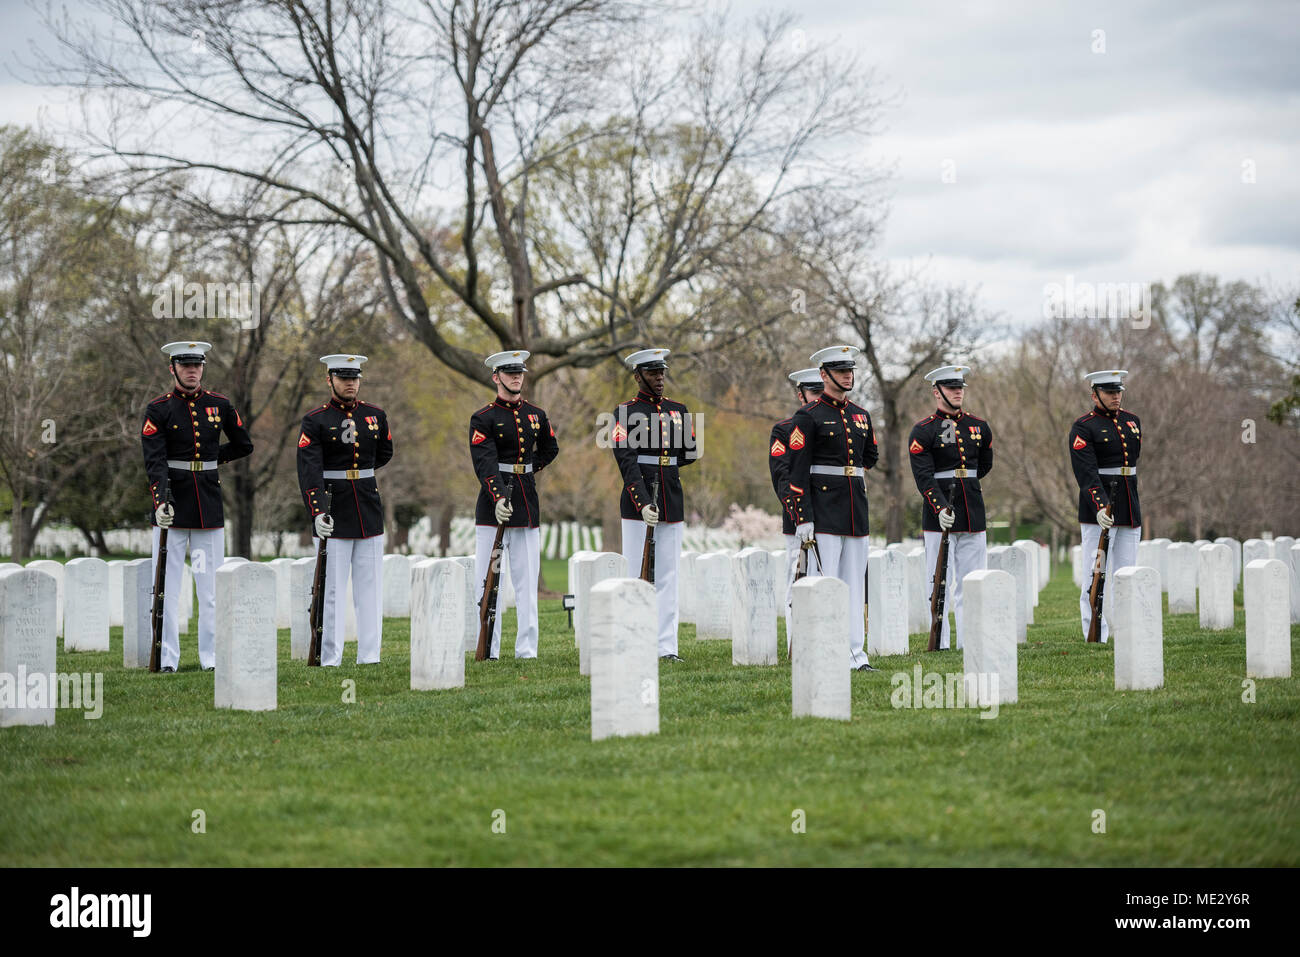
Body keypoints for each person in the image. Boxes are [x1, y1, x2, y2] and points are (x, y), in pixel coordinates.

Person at [141, 340, 253, 672]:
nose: (192, 371)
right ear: (172, 368)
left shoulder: (220, 405)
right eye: (186, 365)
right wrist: (161, 500)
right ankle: (166, 659)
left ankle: (212, 658)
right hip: (172, 508)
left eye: (197, 365)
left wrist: (211, 460)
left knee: (210, 590)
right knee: (167, 590)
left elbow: (243, 444)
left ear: (203, 367)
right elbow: (155, 461)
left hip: (207, 506)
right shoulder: (158, 409)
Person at [786, 345, 879, 672]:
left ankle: (856, 656)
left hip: (856, 510)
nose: (848, 376)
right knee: (824, 583)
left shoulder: (860, 415)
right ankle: (822, 653)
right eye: (840, 371)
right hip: (823, 512)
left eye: (850, 370)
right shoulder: (807, 417)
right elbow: (797, 473)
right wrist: (803, 518)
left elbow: (870, 457)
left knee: (855, 586)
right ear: (824, 375)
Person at [296, 354, 392, 666]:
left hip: (367, 508)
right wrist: (317, 510)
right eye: (343, 377)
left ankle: (370, 656)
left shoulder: (375, 415)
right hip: (332, 510)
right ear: (330, 380)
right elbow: (308, 469)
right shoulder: (316, 420)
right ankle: (330, 657)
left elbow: (384, 453)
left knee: (370, 591)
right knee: (332, 591)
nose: (350, 383)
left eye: (354, 377)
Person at [469, 350, 559, 659]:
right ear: (496, 377)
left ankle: (527, 650)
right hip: (492, 507)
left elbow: (551, 447)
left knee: (526, 581)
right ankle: (488, 648)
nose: (516, 376)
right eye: (509, 373)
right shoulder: (483, 418)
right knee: (490, 579)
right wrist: (497, 496)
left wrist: (531, 467)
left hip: (527, 503)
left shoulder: (536, 414)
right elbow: (484, 462)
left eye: (519, 371)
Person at [610, 348, 699, 661]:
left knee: (668, 577)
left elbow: (688, 453)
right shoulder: (624, 413)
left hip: (671, 498)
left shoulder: (679, 410)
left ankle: (666, 647)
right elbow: (625, 460)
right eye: (652, 373)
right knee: (637, 572)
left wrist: (665, 466)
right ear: (638, 376)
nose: (660, 378)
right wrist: (643, 500)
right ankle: (634, 642)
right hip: (638, 502)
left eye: (662, 372)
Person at [908, 365, 993, 650]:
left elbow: (984, 466)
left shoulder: (979, 426)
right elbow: (923, 476)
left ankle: (970, 640)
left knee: (972, 582)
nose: (958, 392)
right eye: (952, 387)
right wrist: (940, 507)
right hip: (938, 515)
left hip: (972, 509)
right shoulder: (923, 430)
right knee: (939, 582)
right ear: (937, 392)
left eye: (960, 387)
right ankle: (941, 642)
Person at [1070, 369, 1141, 643]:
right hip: (1097, 511)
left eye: (1118, 391)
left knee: (1127, 572)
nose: (1116, 396)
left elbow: (1131, 466)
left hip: (1129, 505)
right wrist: (1100, 505)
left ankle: (1125, 632)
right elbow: (1086, 472)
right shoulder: (1083, 427)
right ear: (1095, 394)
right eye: (1110, 392)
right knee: (1096, 571)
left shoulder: (1132, 422)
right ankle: (1095, 632)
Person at [769, 367, 824, 652]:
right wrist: (798, 514)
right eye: (813, 392)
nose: (818, 397)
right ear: (801, 394)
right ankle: (797, 641)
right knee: (798, 578)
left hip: (830, 518)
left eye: (821, 392)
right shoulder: (785, 429)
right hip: (799, 519)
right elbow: (782, 477)